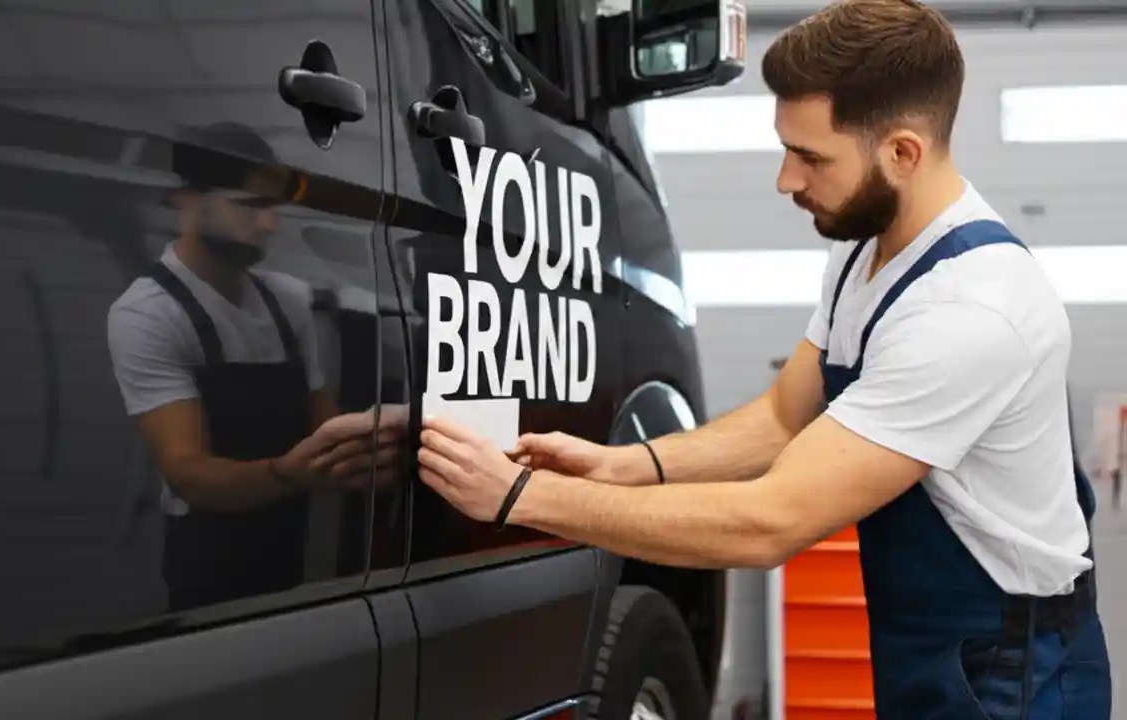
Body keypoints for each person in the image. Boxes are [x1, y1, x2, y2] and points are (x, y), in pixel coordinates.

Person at [414, 0, 1112, 716]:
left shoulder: (972, 309)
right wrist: (623, 466)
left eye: (810, 156)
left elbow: (770, 520)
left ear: (902, 152)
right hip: (936, 655)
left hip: (1016, 679)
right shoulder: (865, 249)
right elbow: (784, 418)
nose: (786, 180)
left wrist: (523, 499)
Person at [107, 122, 392, 610]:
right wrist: (289, 473)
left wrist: (374, 451)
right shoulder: (148, 313)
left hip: (288, 550)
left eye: (273, 207)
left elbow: (323, 423)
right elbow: (189, 474)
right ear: (189, 201)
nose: (270, 225)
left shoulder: (287, 300)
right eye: (250, 206)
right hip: (205, 565)